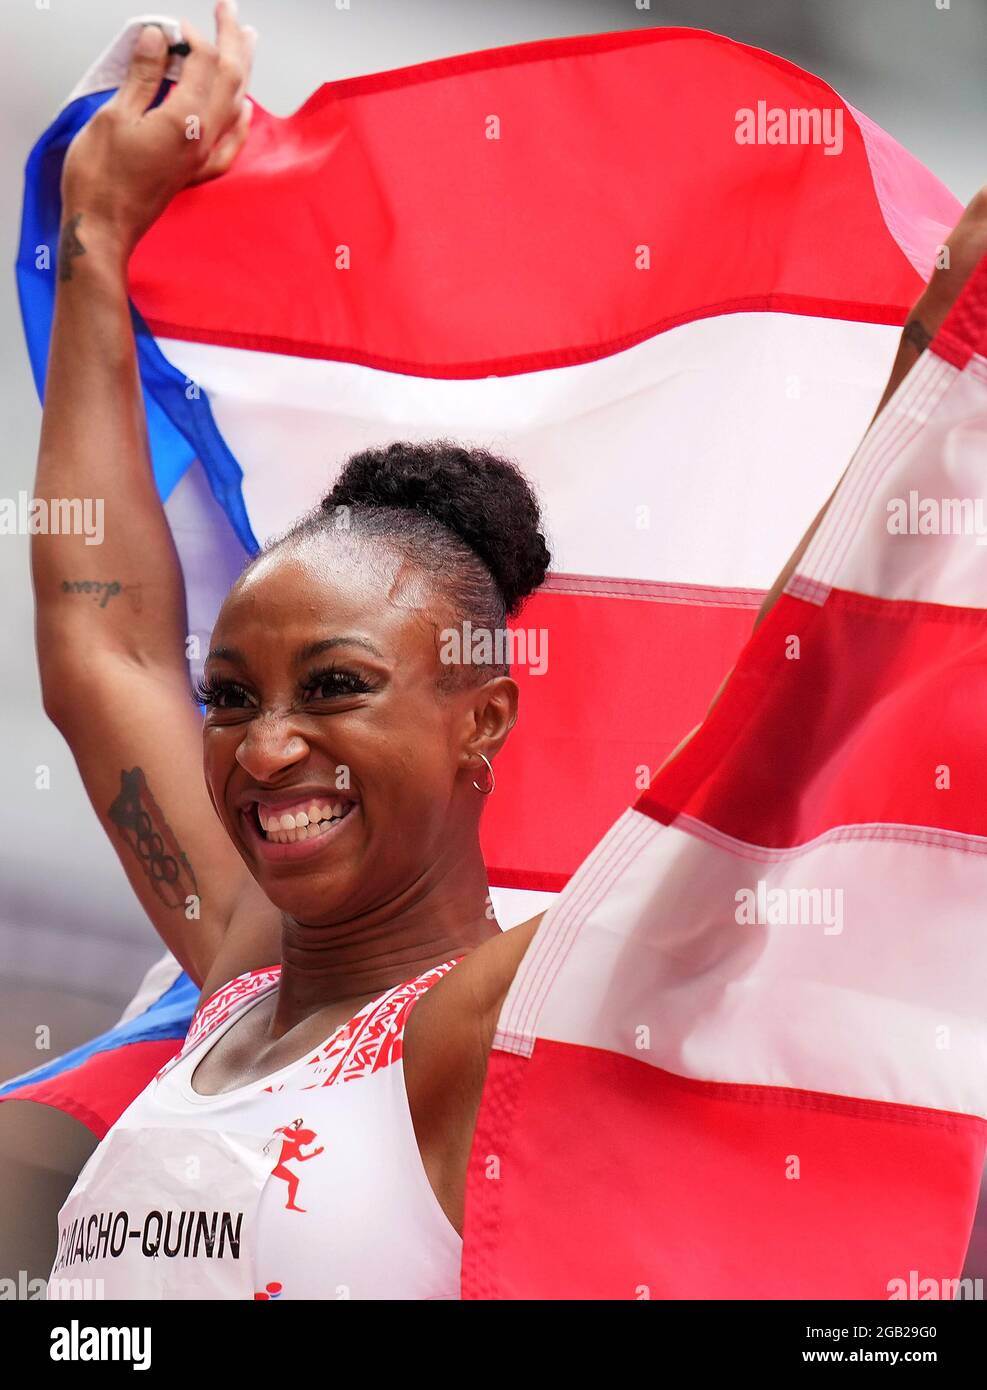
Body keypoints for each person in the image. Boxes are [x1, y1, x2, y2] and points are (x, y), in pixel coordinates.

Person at [35, 0, 986, 1298]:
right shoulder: (241, 973)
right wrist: (98, 233)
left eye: (337, 687)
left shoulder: (495, 1038)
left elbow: (762, 758)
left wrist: (927, 392)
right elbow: (107, 649)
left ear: (482, 717)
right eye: (235, 695)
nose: (264, 744)